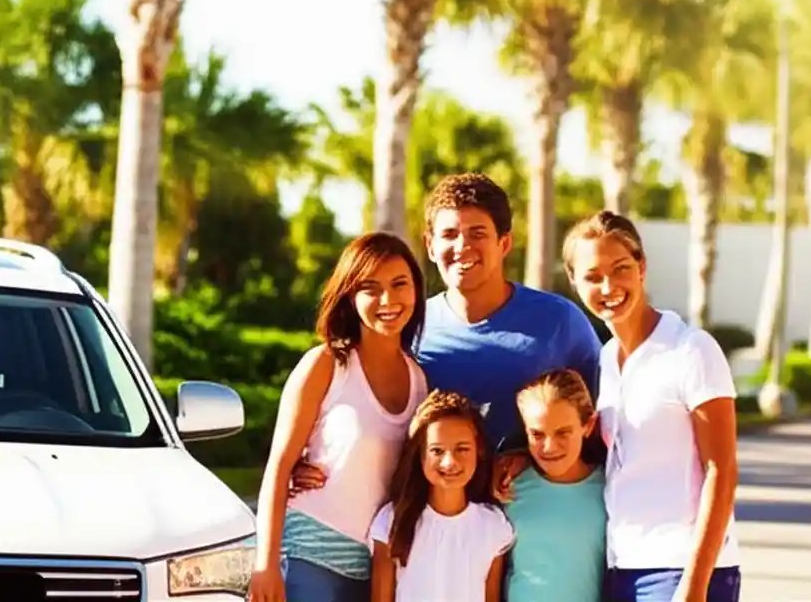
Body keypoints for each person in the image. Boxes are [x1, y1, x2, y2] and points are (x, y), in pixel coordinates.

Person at [293, 173, 603, 500]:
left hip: (534, 515)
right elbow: (364, 409)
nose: (461, 247)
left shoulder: (560, 321)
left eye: (477, 233)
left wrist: (529, 454)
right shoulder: (406, 326)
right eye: (449, 234)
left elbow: (602, 421)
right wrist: (307, 459)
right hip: (437, 526)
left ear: (504, 243)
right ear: (430, 245)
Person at [562, 211, 741, 602]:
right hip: (623, 566)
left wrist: (694, 586)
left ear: (641, 267)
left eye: (620, 268)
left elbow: (721, 471)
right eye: (592, 276)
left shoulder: (691, 349)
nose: (608, 286)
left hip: (683, 570)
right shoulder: (608, 359)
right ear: (574, 282)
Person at [248, 232, 430, 602]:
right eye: (370, 288)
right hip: (309, 555)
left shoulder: (419, 380)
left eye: (400, 284)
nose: (388, 300)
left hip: (377, 565)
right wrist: (264, 565)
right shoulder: (326, 364)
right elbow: (279, 468)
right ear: (350, 295)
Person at [370, 390, 515, 602]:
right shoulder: (391, 520)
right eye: (437, 451)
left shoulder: (493, 525)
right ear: (420, 456)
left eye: (462, 449)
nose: (450, 462)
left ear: (479, 450)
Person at [504, 368, 607, 602]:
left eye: (563, 433)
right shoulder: (508, 487)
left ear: (588, 426)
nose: (549, 447)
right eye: (537, 435)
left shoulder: (609, 490)